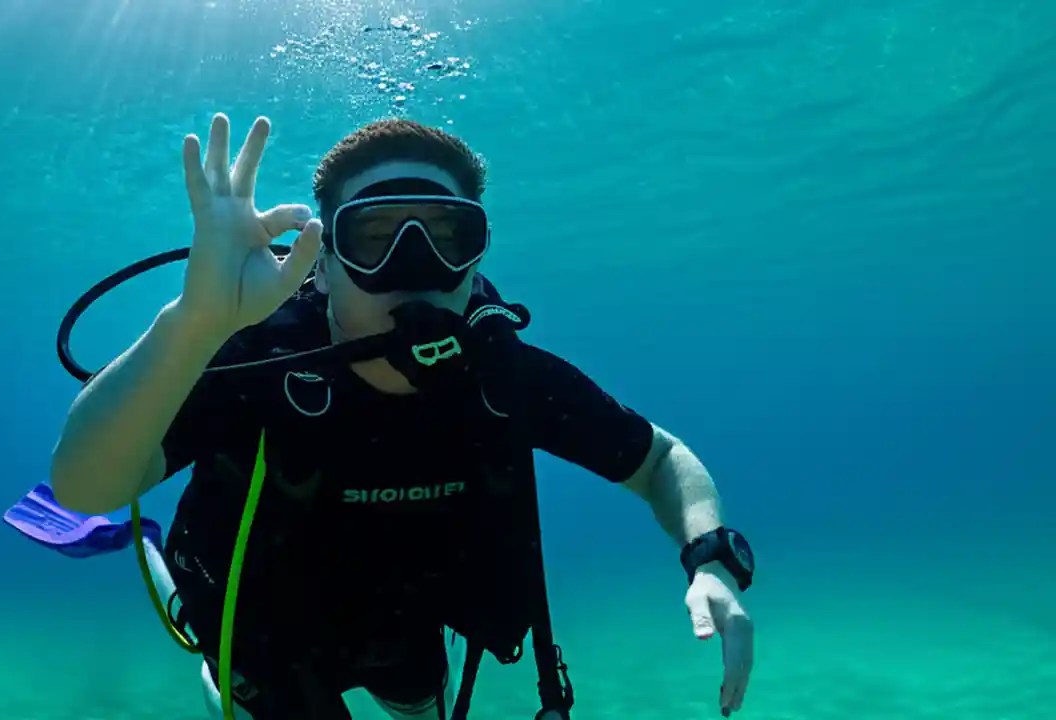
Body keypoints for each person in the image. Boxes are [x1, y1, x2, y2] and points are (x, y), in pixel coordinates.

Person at [48, 113, 757, 719]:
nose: (412, 264)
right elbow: (83, 487)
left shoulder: (501, 377)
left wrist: (710, 558)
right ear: (321, 263)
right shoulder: (259, 365)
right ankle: (191, 632)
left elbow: (660, 459)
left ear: (476, 266)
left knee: (419, 697)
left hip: (405, 629)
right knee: (249, 688)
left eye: (445, 235)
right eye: (374, 233)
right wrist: (196, 322)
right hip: (268, 633)